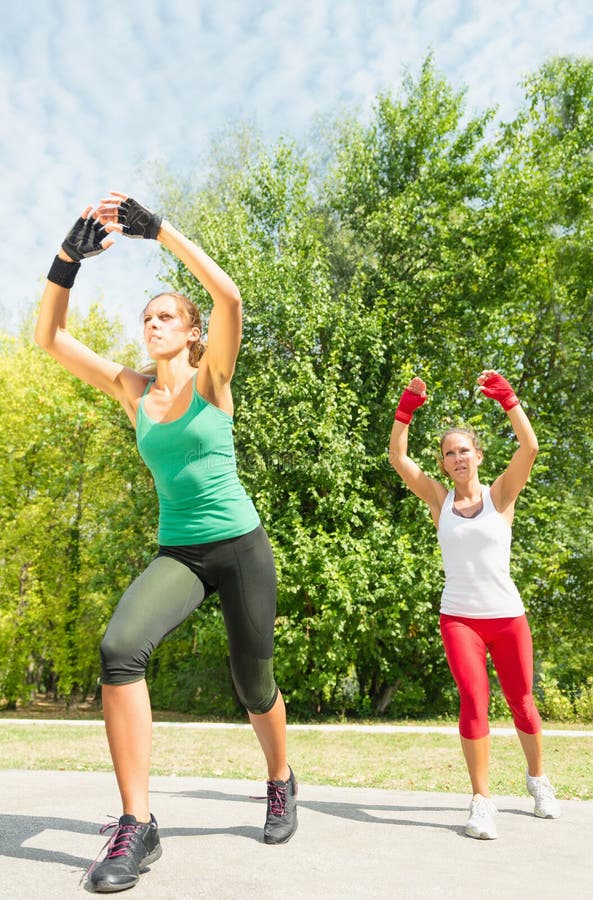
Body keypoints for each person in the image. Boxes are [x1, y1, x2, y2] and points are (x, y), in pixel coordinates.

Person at [35, 192, 298, 892]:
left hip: (240, 548)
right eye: (145, 317)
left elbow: (231, 296)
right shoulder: (133, 389)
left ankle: (279, 777)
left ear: (190, 333)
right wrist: (67, 260)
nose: (151, 324)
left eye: (165, 317)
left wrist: (163, 233)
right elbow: (50, 339)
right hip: (179, 553)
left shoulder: (214, 380)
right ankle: (137, 825)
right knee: (120, 648)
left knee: (253, 681)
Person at [388, 370, 560, 840]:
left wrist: (508, 398)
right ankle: (482, 801)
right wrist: (407, 406)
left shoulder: (500, 495)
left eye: (464, 449)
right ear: (443, 463)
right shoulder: (438, 500)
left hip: (507, 618)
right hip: (459, 618)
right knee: (474, 702)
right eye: (449, 452)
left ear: (478, 456)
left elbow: (530, 449)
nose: (457, 457)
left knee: (522, 702)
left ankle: (537, 780)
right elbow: (398, 457)